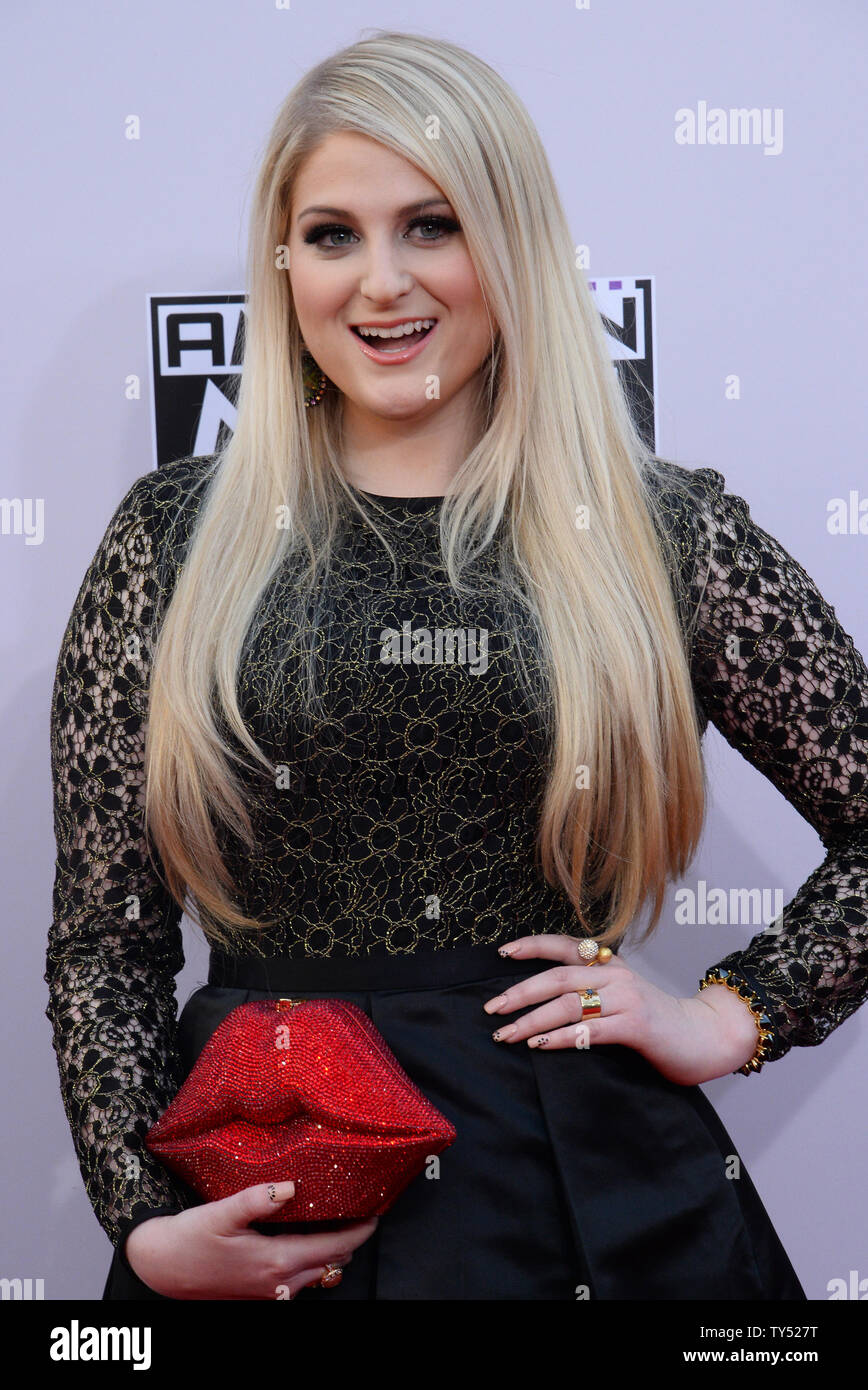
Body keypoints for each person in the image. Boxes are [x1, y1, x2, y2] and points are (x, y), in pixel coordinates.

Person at [45, 30, 866, 1301]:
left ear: (512, 243)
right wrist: (146, 1221)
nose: (380, 283)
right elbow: (106, 936)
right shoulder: (175, 539)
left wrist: (731, 1015)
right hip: (267, 1187)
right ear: (284, 262)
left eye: (431, 224)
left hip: (584, 1181)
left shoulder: (658, 533)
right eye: (331, 234)